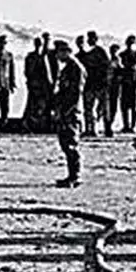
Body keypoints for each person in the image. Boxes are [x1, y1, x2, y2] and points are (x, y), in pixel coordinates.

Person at [51, 40, 85, 187]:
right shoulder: (67, 68)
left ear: (66, 52)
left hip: (71, 113)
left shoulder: (75, 68)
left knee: (71, 144)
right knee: (66, 143)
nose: (57, 56)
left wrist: (66, 112)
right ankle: (71, 175)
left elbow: (75, 93)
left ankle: (75, 176)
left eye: (58, 52)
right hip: (65, 111)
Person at [80, 30, 110, 137]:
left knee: (103, 108)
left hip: (99, 84)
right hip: (90, 84)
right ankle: (90, 129)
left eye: (92, 38)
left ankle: (107, 129)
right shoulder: (87, 53)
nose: (90, 40)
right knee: (89, 108)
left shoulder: (100, 52)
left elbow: (106, 67)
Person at [23, 36, 53, 133]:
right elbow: (28, 72)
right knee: (33, 106)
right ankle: (31, 126)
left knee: (43, 106)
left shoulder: (46, 57)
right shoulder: (31, 57)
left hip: (44, 86)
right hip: (35, 85)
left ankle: (42, 126)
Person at [118, 35, 136, 133]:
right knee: (124, 106)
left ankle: (132, 126)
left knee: (133, 106)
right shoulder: (122, 54)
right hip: (125, 82)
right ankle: (126, 125)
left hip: (133, 83)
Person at [105, 44, 123, 135]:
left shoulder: (117, 61)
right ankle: (107, 127)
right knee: (107, 108)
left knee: (113, 107)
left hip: (114, 87)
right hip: (107, 86)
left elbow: (120, 73)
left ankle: (109, 126)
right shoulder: (106, 61)